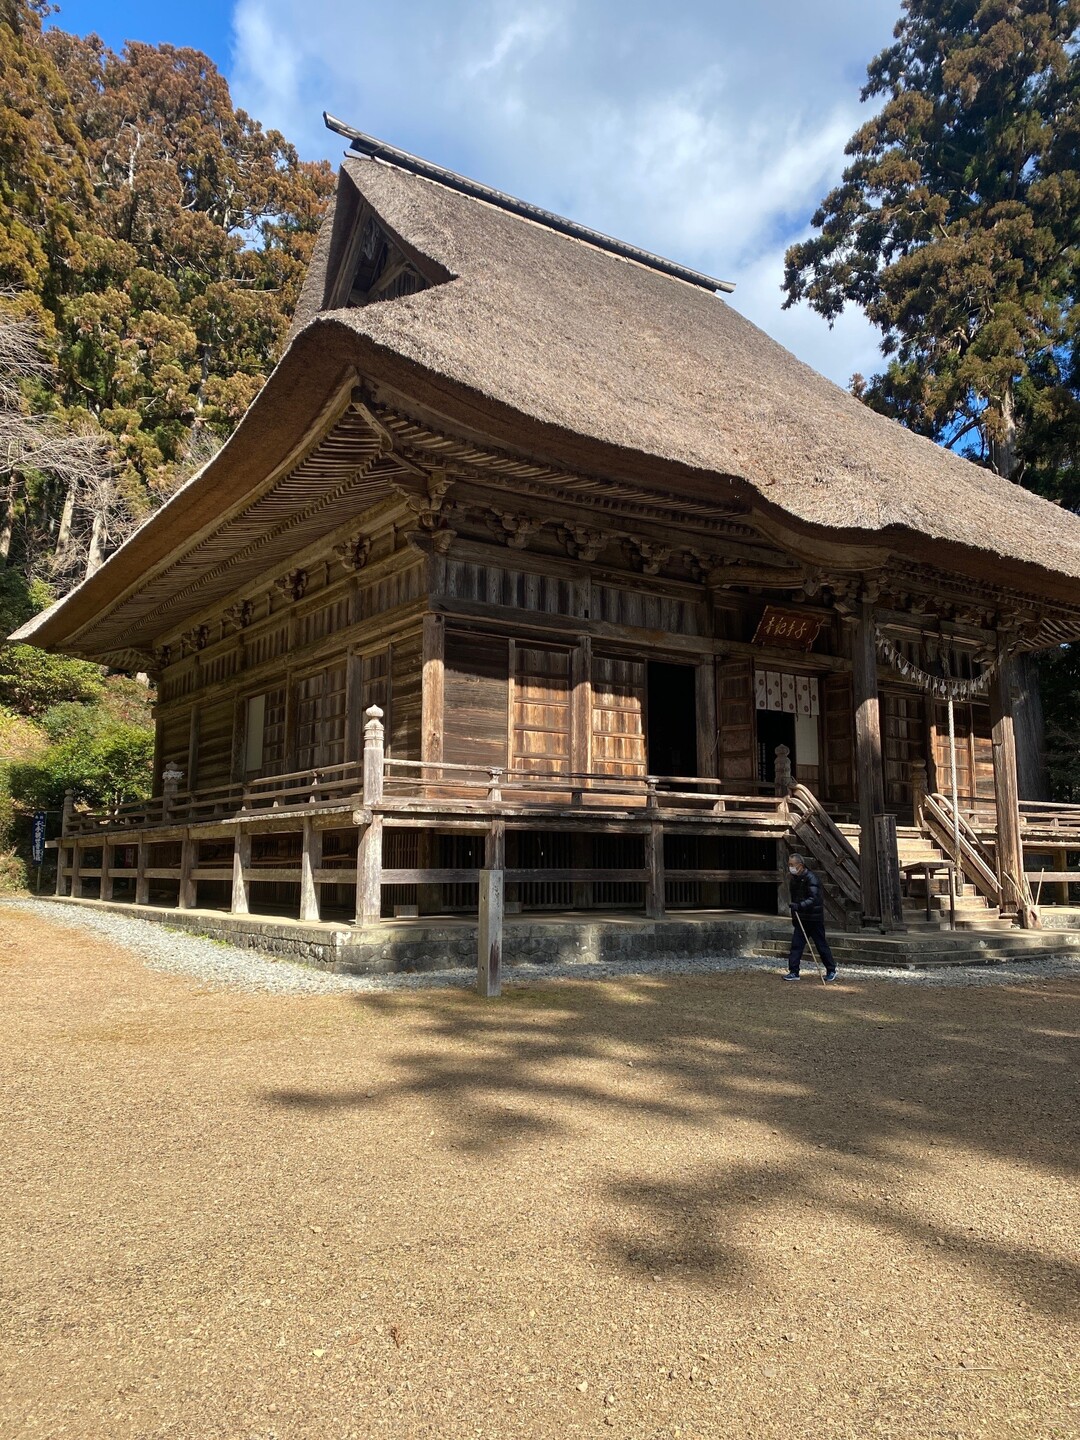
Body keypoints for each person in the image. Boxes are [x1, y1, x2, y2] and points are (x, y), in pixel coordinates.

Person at [783, 854, 838, 982]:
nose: (790, 867)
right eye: (789, 864)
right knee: (796, 945)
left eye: (792, 865)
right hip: (801, 918)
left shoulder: (811, 878)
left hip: (814, 918)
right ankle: (794, 971)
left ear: (800, 865)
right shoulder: (794, 879)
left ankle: (831, 970)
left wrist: (799, 906)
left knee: (821, 945)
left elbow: (814, 899)